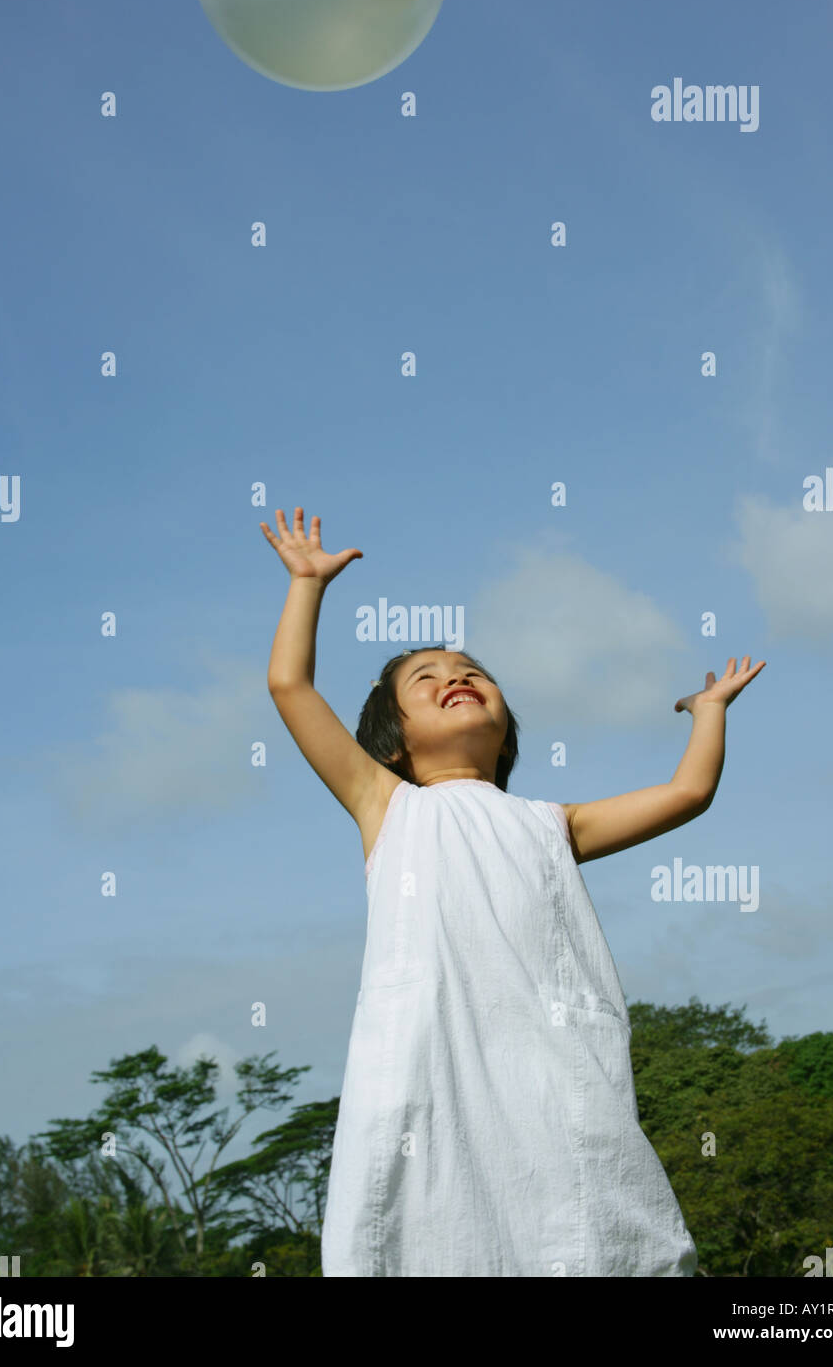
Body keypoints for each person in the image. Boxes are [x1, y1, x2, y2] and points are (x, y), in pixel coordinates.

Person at [261, 505, 765, 1277]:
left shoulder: (550, 823)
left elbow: (688, 793)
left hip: (552, 1060)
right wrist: (306, 585)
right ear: (392, 742)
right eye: (425, 679)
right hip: (433, 1058)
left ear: (507, 730)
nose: (455, 676)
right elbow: (288, 684)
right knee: (426, 1212)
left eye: (471, 671)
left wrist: (708, 712)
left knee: (589, 1206)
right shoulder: (385, 803)